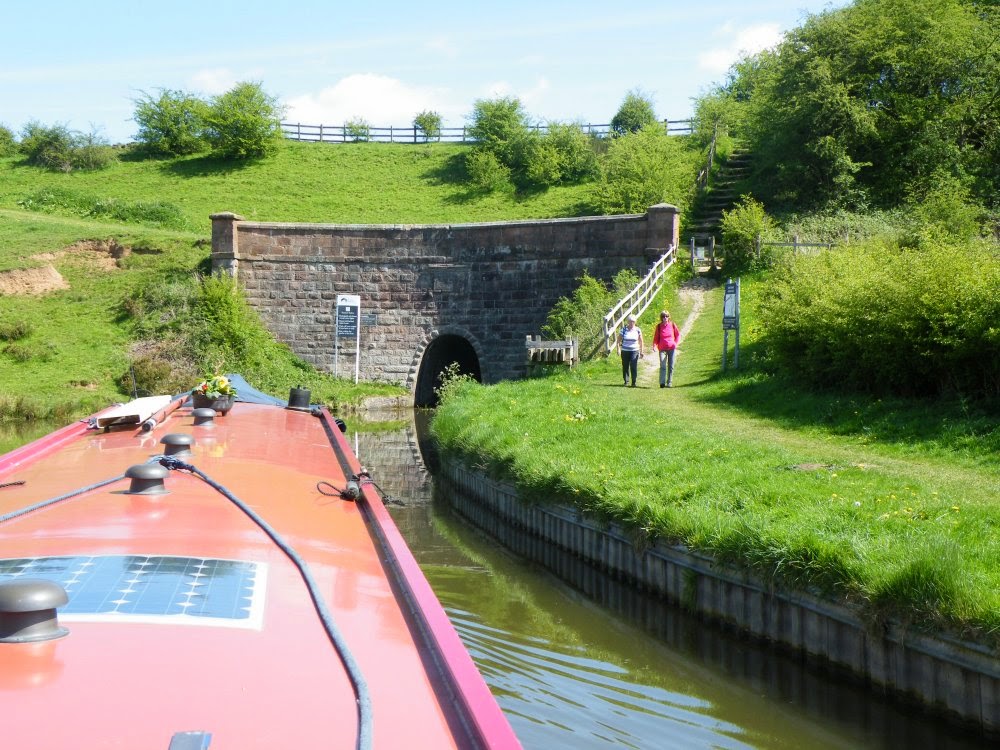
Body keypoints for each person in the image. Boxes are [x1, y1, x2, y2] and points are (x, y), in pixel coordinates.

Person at [653, 310, 680, 388]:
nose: (665, 318)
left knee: (671, 366)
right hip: (662, 349)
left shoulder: (672, 325)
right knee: (663, 365)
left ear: (669, 317)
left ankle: (669, 382)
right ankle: (662, 383)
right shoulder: (658, 326)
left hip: (671, 348)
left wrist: (675, 343)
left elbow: (677, 335)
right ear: (661, 318)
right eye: (663, 316)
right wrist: (654, 346)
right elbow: (656, 338)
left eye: (667, 316)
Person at [618, 315, 644, 387]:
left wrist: (641, 351)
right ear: (627, 322)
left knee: (633, 365)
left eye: (633, 321)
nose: (631, 323)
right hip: (625, 350)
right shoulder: (623, 330)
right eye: (630, 321)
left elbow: (641, 341)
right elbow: (618, 340)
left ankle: (634, 382)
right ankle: (626, 381)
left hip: (634, 350)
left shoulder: (638, 330)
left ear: (635, 322)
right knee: (625, 366)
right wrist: (618, 349)